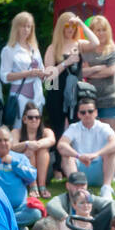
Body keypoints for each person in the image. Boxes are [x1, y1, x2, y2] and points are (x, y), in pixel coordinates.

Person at [42, 11, 100, 148]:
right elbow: (49, 75)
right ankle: (57, 166)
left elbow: (96, 42)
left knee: (76, 127)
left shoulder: (78, 44)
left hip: (74, 94)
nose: (70, 29)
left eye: (73, 27)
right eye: (67, 26)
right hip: (56, 91)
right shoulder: (53, 48)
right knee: (58, 129)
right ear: (61, 27)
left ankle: (74, 162)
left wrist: (81, 24)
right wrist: (66, 63)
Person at [56, 94, 115, 199]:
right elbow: (61, 145)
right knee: (66, 155)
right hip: (80, 167)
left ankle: (106, 188)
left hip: (100, 168)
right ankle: (77, 187)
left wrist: (96, 154)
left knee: (112, 151)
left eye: (90, 111)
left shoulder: (104, 127)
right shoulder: (74, 127)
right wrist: (78, 156)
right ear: (78, 115)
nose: (87, 114)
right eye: (83, 112)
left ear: (96, 112)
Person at [0, 127, 39, 228]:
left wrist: (14, 162)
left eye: (6, 140)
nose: (3, 143)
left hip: (19, 208)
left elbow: (32, 176)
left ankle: (3, 224)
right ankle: (16, 227)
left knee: (35, 213)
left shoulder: (20, 158)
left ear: (11, 142)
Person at [0, 11, 46, 129]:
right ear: (16, 28)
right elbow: (4, 76)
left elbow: (42, 69)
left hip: (37, 93)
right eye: (23, 26)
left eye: (29, 26)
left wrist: (42, 73)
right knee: (20, 127)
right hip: (20, 94)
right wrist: (28, 73)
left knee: (36, 127)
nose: (26, 29)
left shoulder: (34, 48)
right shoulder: (9, 50)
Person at [81, 15, 115, 136]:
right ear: (92, 32)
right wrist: (98, 68)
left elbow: (110, 71)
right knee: (92, 137)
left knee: (112, 138)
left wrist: (90, 72)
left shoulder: (114, 49)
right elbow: (81, 73)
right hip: (89, 100)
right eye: (97, 30)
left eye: (103, 30)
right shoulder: (86, 50)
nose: (101, 33)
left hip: (109, 100)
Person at [11, 106, 54, 198]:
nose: (34, 120)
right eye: (31, 117)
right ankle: (33, 186)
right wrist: (27, 143)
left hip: (45, 171)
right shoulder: (16, 132)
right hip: (23, 170)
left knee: (42, 149)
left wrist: (37, 144)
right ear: (24, 119)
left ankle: (42, 187)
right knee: (29, 150)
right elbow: (12, 147)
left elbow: (51, 140)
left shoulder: (46, 131)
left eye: (37, 117)